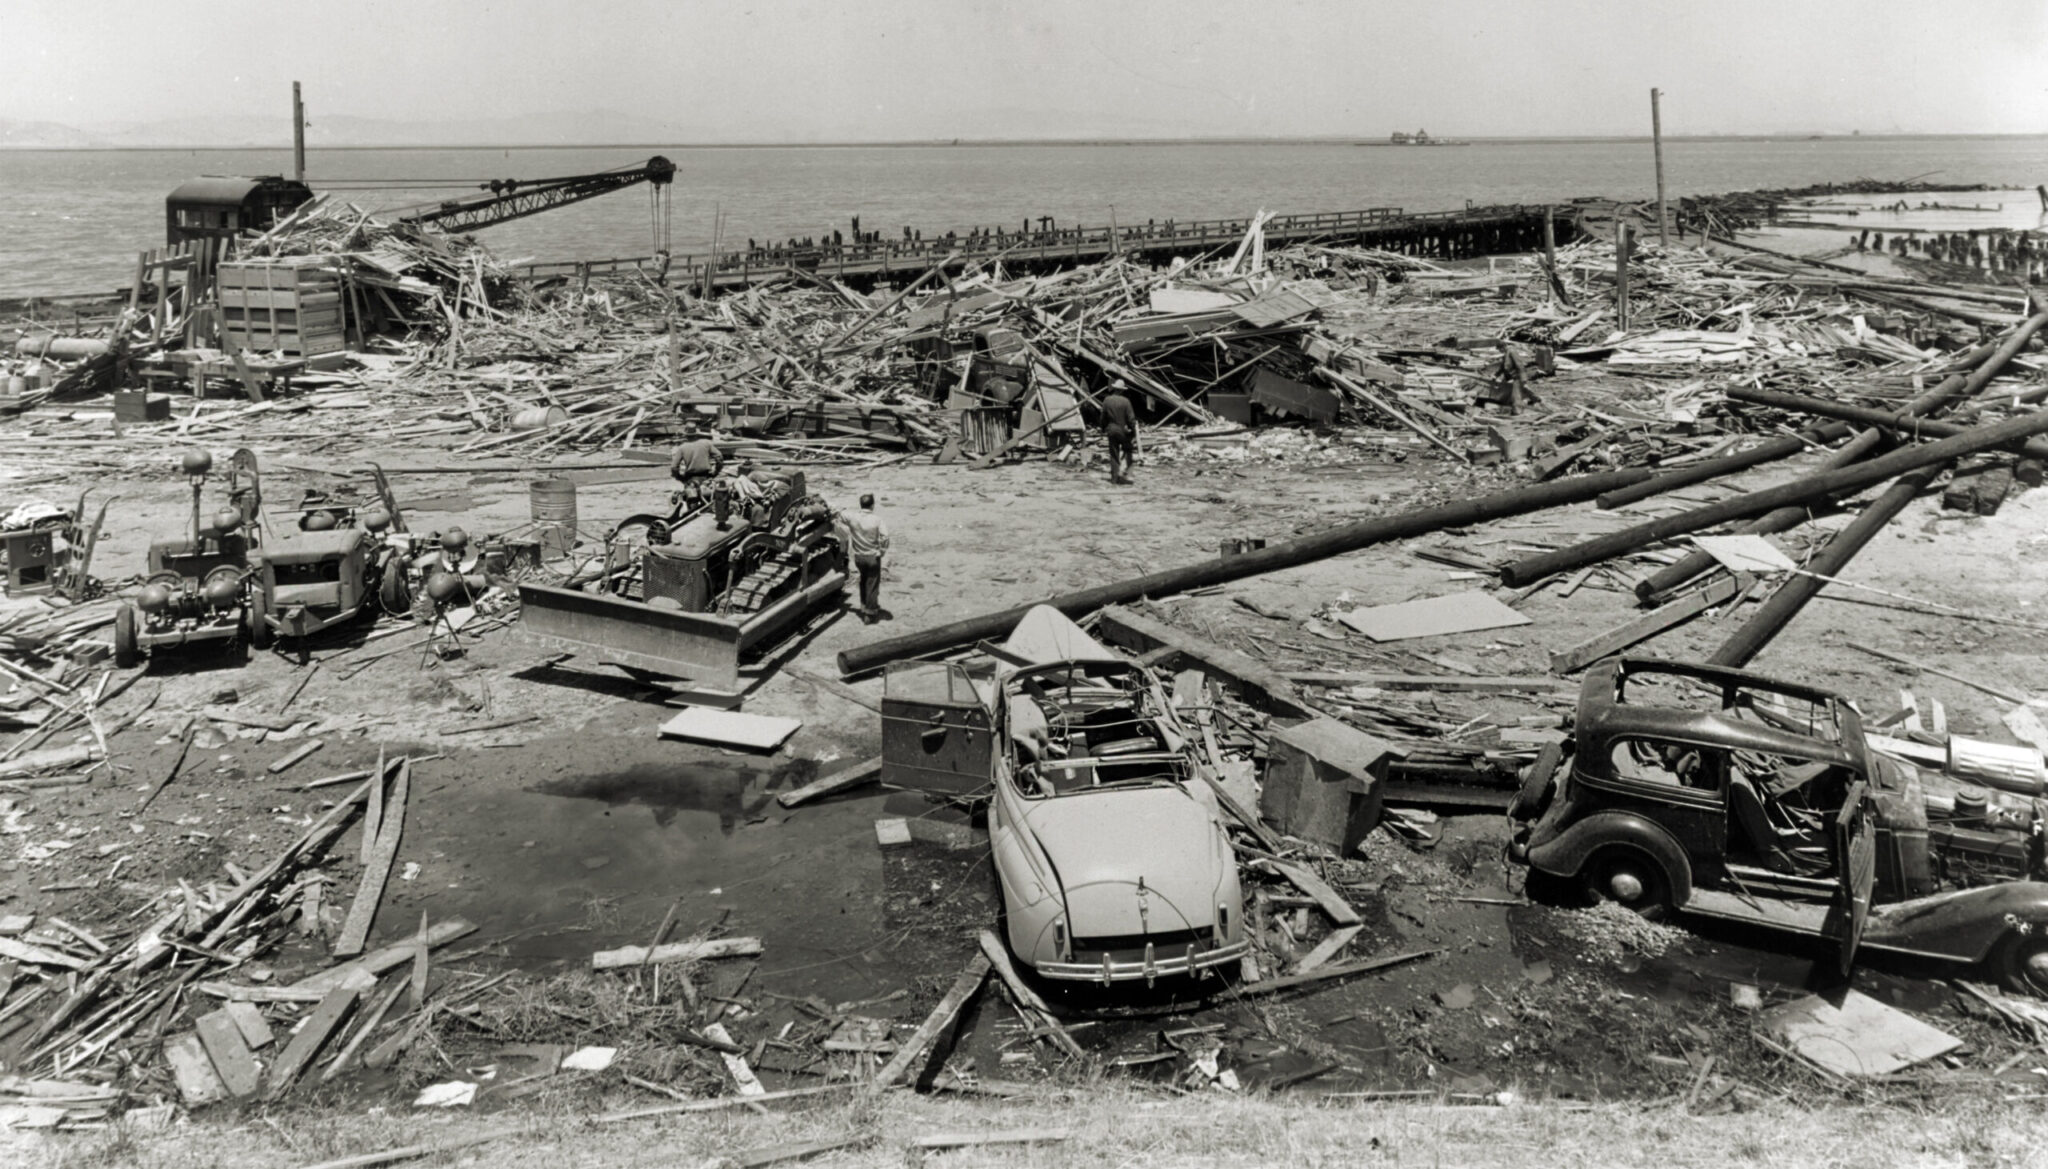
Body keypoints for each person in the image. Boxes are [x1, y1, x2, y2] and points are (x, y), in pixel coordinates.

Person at [839, 493, 890, 623]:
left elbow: (840, 515)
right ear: (872, 505)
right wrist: (882, 551)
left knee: (863, 580)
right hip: (872, 556)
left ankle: (863, 606)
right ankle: (870, 613)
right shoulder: (877, 520)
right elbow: (885, 537)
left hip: (858, 558)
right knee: (872, 584)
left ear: (860, 504)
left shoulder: (852, 517)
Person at [668, 424, 723, 502]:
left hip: (690, 479)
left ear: (686, 435)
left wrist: (680, 477)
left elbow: (674, 467)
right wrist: (716, 472)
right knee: (707, 501)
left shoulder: (682, 447)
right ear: (696, 434)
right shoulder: (706, 444)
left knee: (691, 501)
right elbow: (719, 457)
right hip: (706, 476)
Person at [1101, 381, 1138, 485]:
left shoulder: (1107, 400)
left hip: (1111, 430)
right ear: (1121, 390)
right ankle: (1127, 475)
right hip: (1123, 431)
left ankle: (1114, 479)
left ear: (1114, 388)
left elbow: (1103, 417)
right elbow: (1131, 419)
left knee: (1114, 454)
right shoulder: (1126, 401)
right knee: (1128, 450)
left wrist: (1103, 428)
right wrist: (1133, 431)